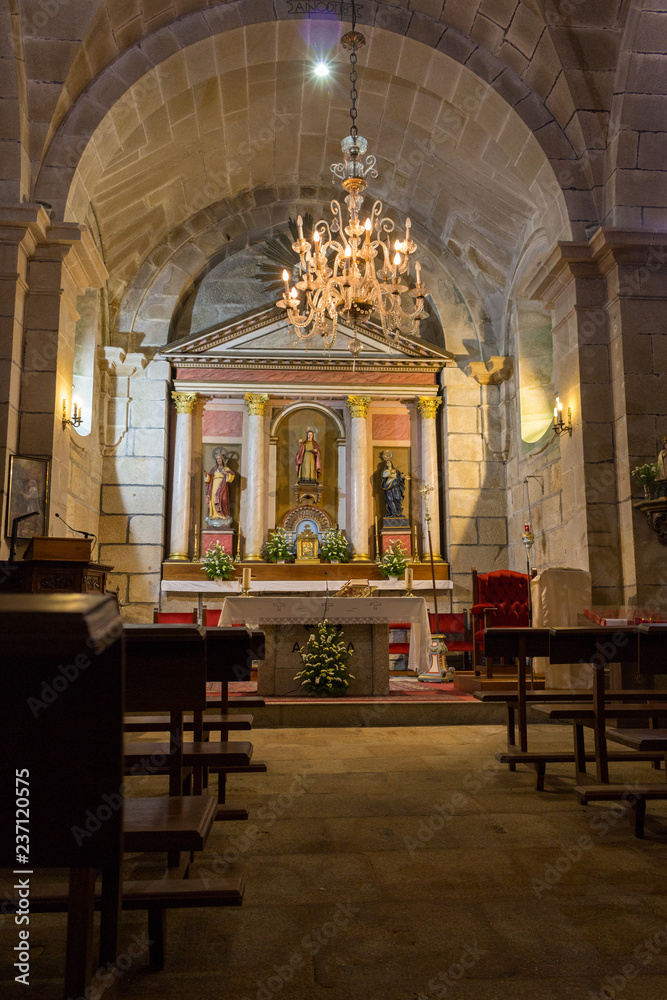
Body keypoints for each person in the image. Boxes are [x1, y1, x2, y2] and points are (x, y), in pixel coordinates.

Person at [204, 449, 235, 520]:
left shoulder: (226, 468)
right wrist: (206, 475)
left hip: (222, 486)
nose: (218, 460)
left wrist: (226, 473)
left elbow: (232, 476)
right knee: (213, 499)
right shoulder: (214, 469)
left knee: (223, 499)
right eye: (217, 459)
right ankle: (215, 515)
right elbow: (209, 478)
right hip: (214, 486)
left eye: (220, 459)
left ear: (223, 460)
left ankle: (222, 515)